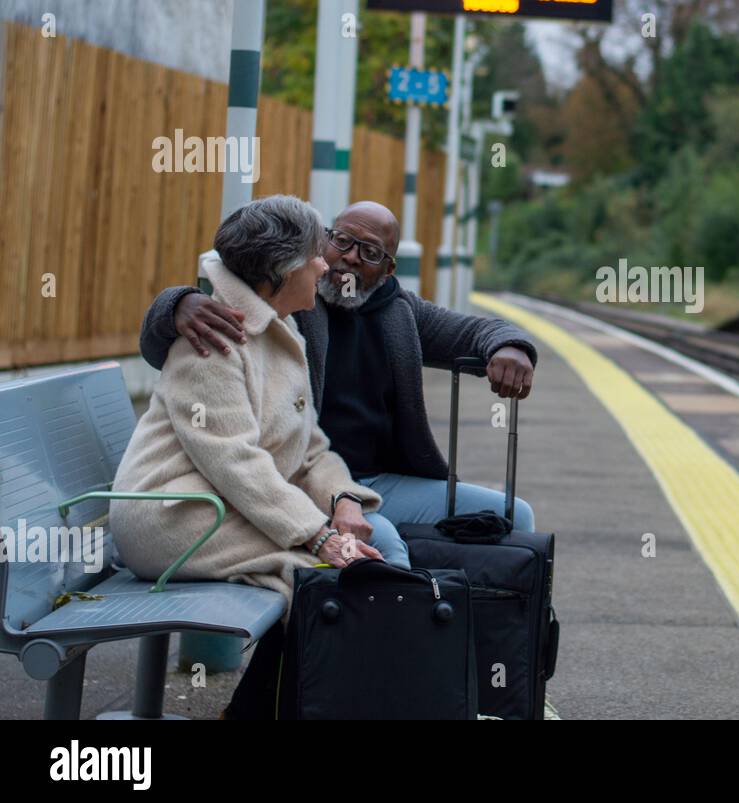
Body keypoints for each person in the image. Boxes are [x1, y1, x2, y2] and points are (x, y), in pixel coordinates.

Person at [137, 199, 539, 568]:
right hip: (300, 483)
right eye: (341, 241)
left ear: (388, 269)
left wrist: (510, 346)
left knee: (514, 515)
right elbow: (228, 283)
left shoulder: (399, 313)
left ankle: (467, 625)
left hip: (371, 482)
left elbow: (473, 332)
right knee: (381, 547)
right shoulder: (294, 308)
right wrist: (176, 305)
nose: (346, 258)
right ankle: (402, 630)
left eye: (369, 252)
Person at [111, 196, 389, 605]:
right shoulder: (212, 342)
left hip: (229, 506)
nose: (324, 265)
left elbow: (311, 449)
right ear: (284, 270)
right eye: (315, 255)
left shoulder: (283, 328)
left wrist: (343, 499)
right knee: (346, 584)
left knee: (369, 570)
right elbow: (233, 459)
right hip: (179, 519)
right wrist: (319, 536)